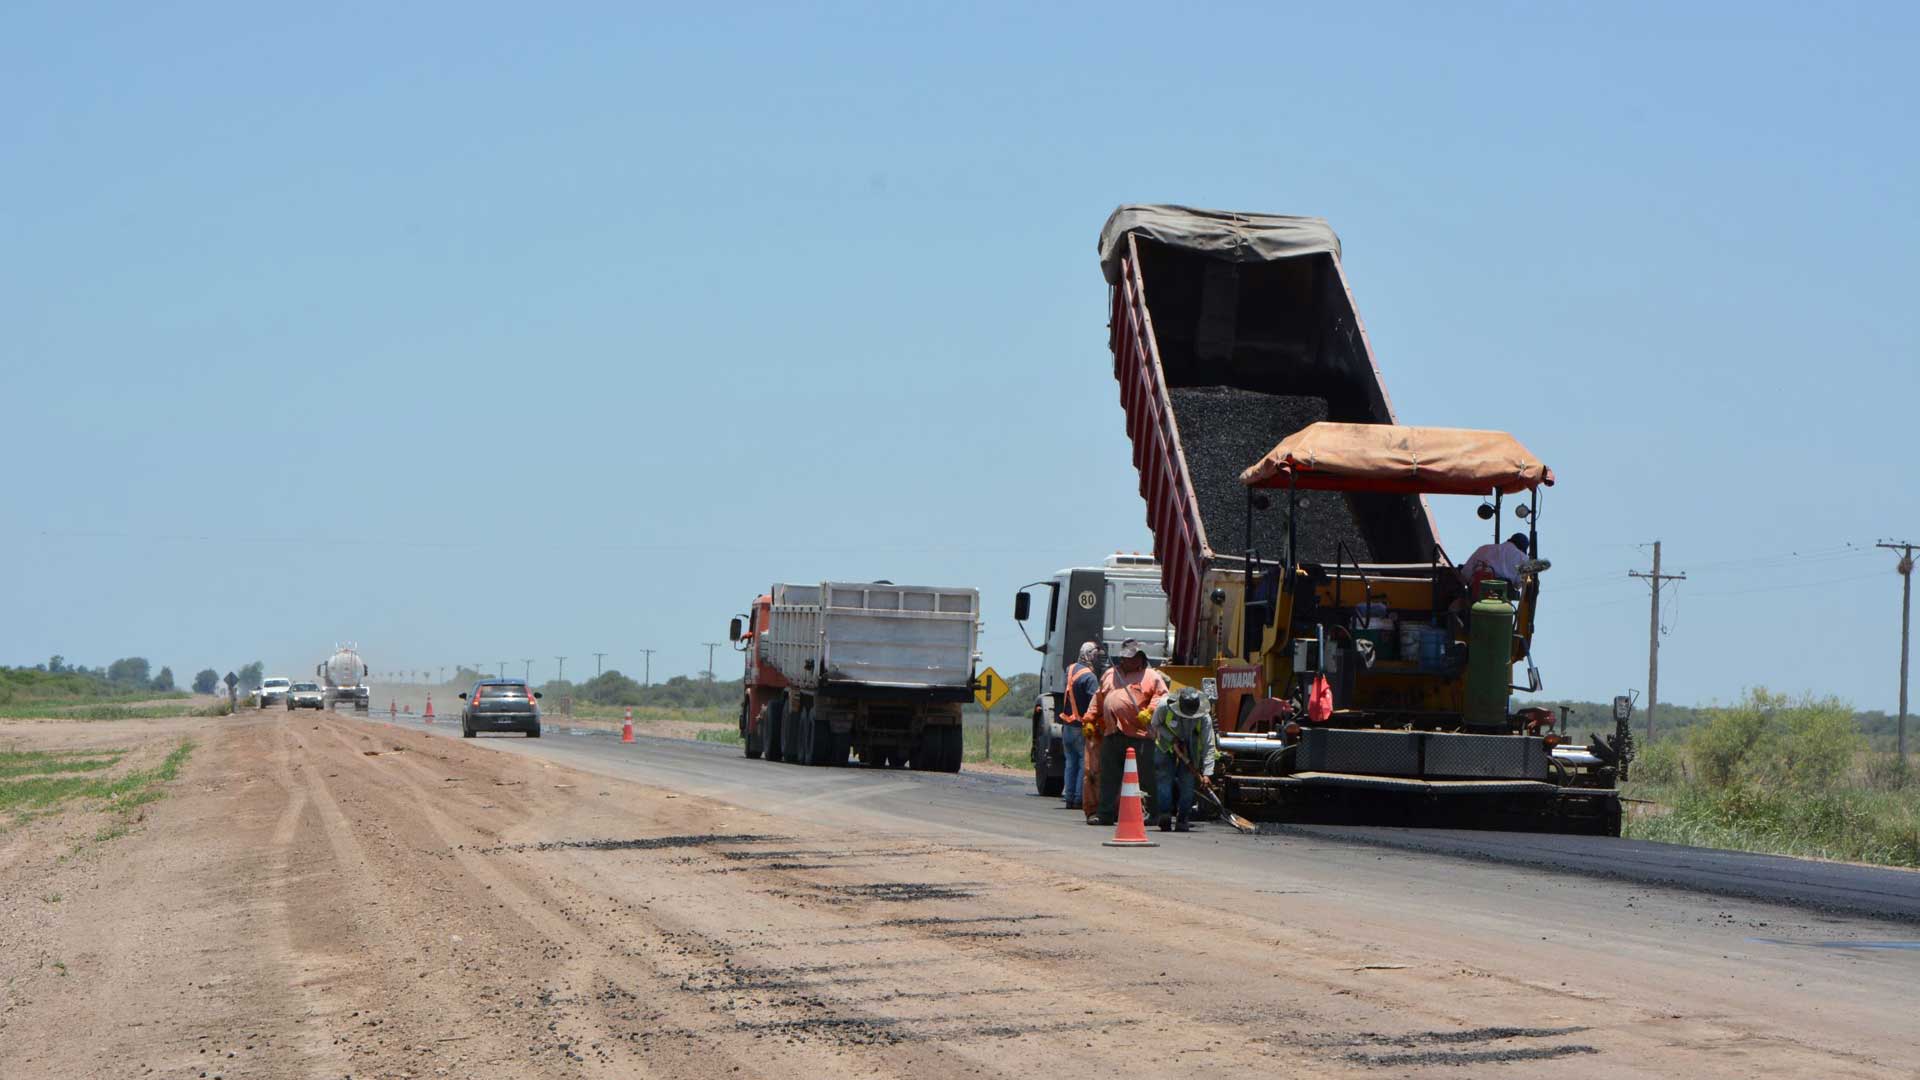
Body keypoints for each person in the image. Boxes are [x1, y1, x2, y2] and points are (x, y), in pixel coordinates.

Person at [1087, 638, 1166, 826]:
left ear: (1140, 658)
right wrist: (1089, 718)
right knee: (1108, 776)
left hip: (1139, 737)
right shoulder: (1109, 675)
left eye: (1129, 658)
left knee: (1146, 777)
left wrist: (1150, 711)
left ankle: (1154, 813)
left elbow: (1162, 697)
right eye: (1123, 658)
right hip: (1112, 733)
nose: (1125, 661)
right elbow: (1099, 698)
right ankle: (1105, 814)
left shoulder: (1151, 676)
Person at [1152, 687, 1219, 832]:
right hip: (1166, 746)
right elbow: (1155, 724)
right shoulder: (1165, 706)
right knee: (1164, 780)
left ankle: (1182, 818)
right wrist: (1172, 738)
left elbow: (1209, 745)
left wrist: (1207, 773)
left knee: (1188, 784)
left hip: (1191, 751)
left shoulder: (1204, 717)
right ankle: (1165, 815)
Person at [1057, 642, 1100, 812]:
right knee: (1084, 763)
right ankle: (1078, 798)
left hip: (1067, 725)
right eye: (1095, 656)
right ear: (1090, 656)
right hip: (1081, 726)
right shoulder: (1090, 677)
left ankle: (1069, 797)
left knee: (1070, 763)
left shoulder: (1070, 669)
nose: (1097, 660)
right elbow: (1094, 702)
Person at [1459, 532, 1530, 590]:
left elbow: (1465, 573)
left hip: (1476, 595)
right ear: (1522, 548)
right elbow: (1518, 585)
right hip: (1502, 600)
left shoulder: (1484, 548)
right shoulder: (1524, 559)